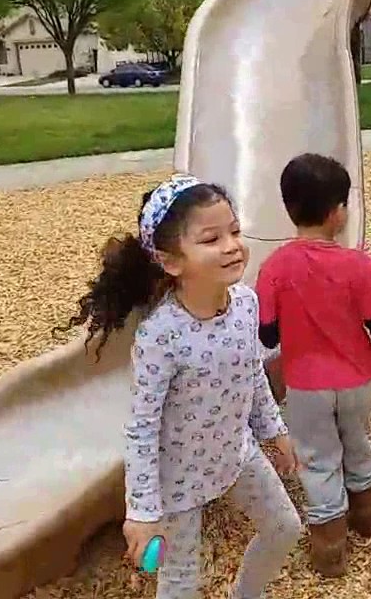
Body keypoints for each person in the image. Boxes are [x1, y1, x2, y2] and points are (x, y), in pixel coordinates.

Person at [64, 173, 303, 599]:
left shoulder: (246, 304)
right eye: (211, 239)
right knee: (179, 584)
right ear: (171, 262)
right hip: (178, 483)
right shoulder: (161, 336)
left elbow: (252, 371)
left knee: (285, 528)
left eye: (234, 231)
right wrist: (142, 510)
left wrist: (274, 431)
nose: (231, 245)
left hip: (236, 453)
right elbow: (142, 428)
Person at [255, 153, 371, 578]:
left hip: (305, 387)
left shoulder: (274, 268)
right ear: (337, 213)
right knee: (357, 443)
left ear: (289, 208)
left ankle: (330, 551)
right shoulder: (359, 265)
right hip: (355, 380)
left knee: (318, 459)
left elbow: (267, 333)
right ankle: (367, 518)